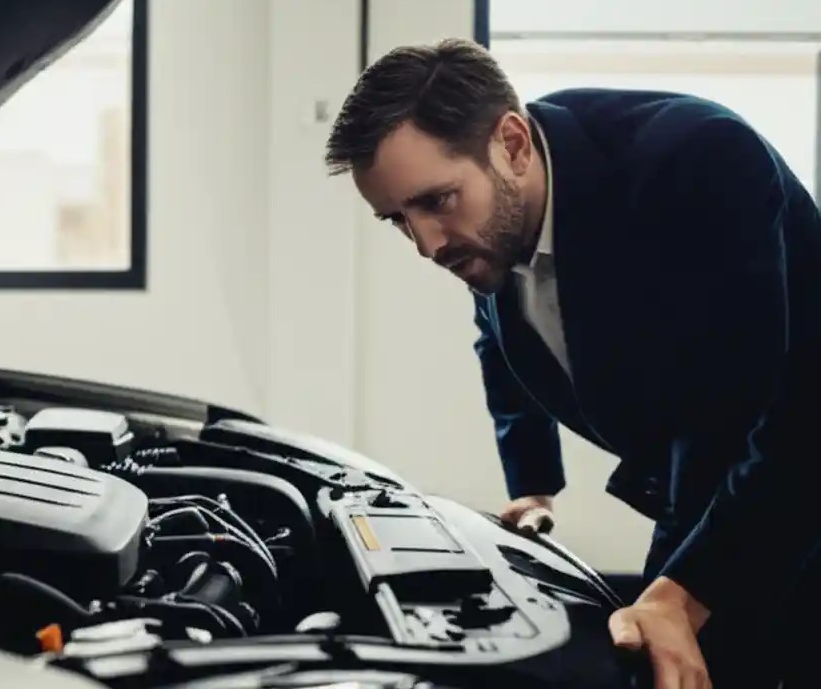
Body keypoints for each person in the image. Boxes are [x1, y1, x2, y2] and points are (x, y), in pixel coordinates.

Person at [324, 37, 821, 689]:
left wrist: (683, 593)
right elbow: (499, 341)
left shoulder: (699, 160)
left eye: (436, 201)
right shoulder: (495, 229)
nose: (425, 245)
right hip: (722, 481)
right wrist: (533, 482)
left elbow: (787, 416)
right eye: (398, 220)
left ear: (512, 143)